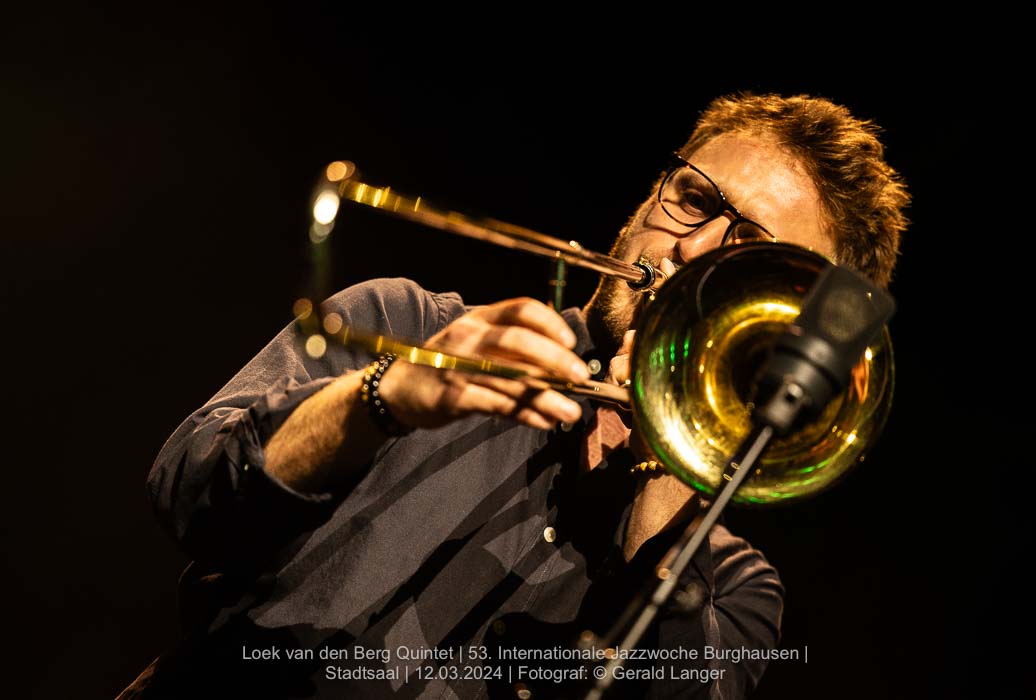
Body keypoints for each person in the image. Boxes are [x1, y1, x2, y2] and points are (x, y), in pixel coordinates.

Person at [122, 92, 910, 699]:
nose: (693, 249)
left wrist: (672, 466)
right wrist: (384, 395)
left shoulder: (736, 591)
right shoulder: (409, 321)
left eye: (749, 253)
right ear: (649, 198)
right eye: (694, 201)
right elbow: (187, 491)